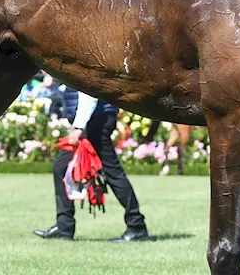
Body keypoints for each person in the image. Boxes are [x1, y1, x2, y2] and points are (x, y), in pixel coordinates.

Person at [33, 84, 152, 242]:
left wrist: (79, 126)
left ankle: (137, 226)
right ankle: (64, 226)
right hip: (95, 119)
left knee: (112, 173)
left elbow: (88, 90)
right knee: (61, 168)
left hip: (95, 120)